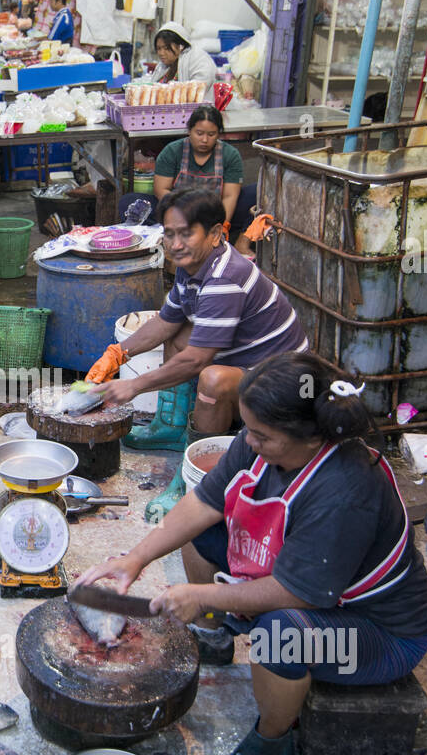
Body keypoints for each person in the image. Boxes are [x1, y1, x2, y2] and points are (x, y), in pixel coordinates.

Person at [77, 352, 427, 755]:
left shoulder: (346, 489)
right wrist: (134, 559)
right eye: (247, 427)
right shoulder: (263, 444)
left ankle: (271, 742)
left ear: (310, 437)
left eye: (261, 435)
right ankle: (216, 635)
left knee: (279, 634)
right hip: (313, 582)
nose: (248, 441)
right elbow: (204, 502)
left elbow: (296, 594)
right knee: (203, 533)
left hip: (379, 633)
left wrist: (202, 596)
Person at [88, 187, 308, 514]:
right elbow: (165, 321)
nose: (176, 245)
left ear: (217, 234)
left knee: (212, 380)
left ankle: (194, 475)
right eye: (170, 235)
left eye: (187, 234)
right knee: (178, 331)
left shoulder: (225, 277)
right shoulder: (190, 267)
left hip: (284, 387)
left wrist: (133, 385)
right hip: (248, 365)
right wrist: (117, 353)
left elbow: (197, 360)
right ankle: (172, 426)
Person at [121, 105, 254, 253]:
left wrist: (223, 225)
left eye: (211, 134)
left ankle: (242, 243)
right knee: (129, 202)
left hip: (213, 213)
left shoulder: (230, 155)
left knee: (256, 193)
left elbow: (230, 196)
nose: (204, 140)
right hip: (177, 211)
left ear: (218, 134)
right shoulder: (173, 150)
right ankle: (160, 241)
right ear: (189, 131)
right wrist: (183, 214)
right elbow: (161, 189)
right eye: (199, 133)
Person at [150, 20, 216, 91]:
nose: (161, 53)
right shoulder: (164, 66)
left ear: (180, 46)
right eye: (159, 48)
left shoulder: (198, 59)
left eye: (166, 48)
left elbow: (201, 86)